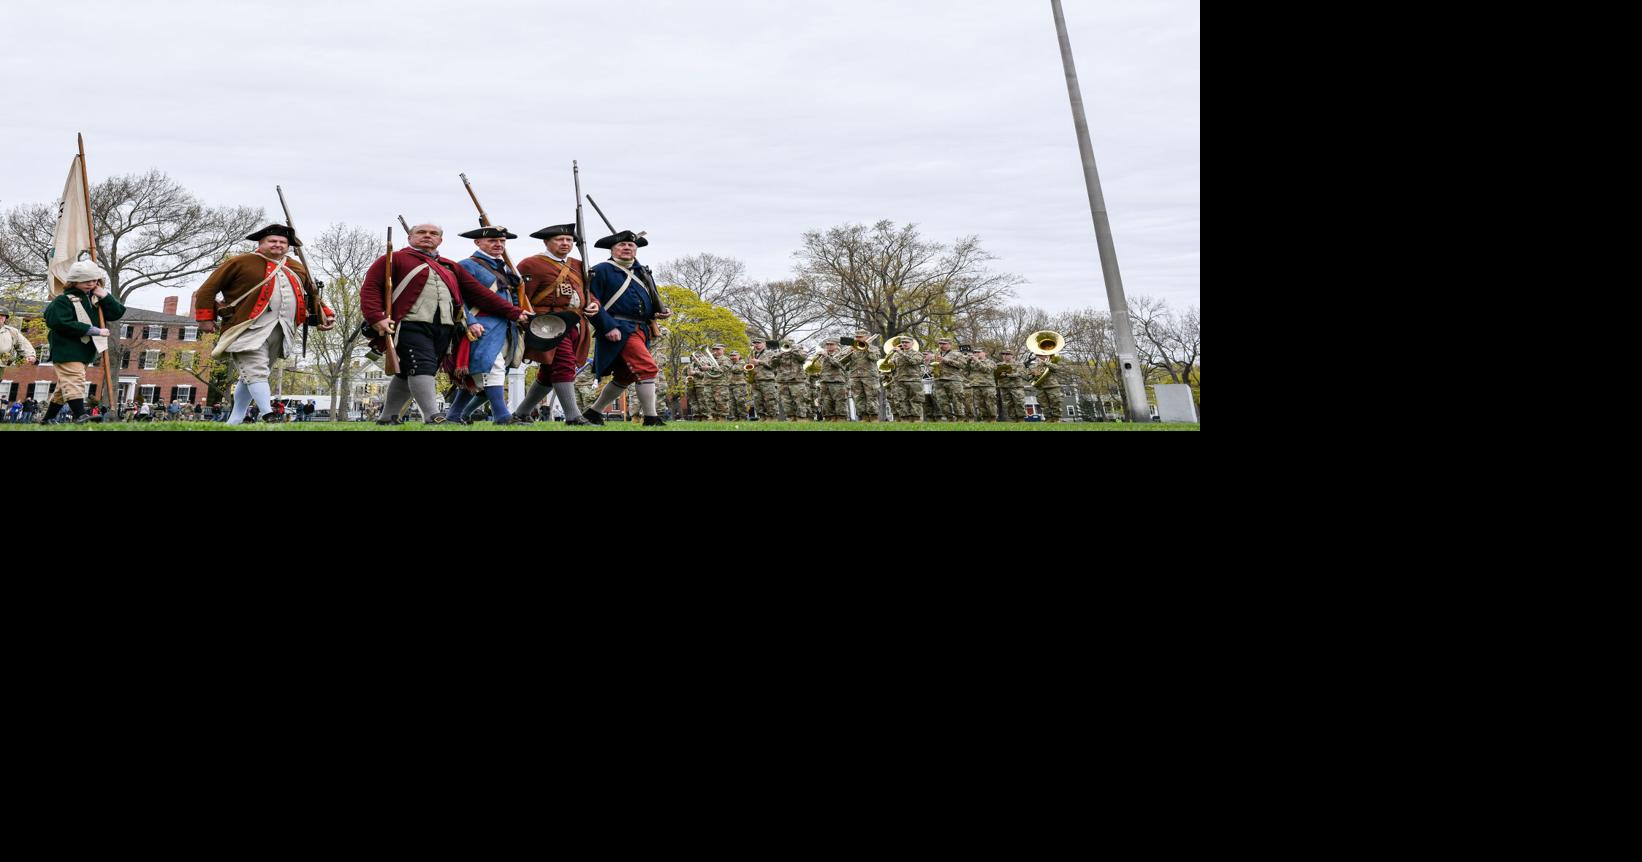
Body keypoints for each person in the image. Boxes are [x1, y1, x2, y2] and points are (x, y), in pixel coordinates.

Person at [360, 223, 529, 425]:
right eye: (421, 233)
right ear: (410, 238)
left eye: (433, 234)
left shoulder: (449, 266)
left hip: (444, 327)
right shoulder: (393, 259)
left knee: (407, 371)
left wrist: (515, 312)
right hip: (409, 323)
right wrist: (376, 317)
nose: (427, 236)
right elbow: (371, 288)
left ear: (440, 240)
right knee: (422, 367)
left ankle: (387, 417)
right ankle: (433, 416)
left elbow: (480, 294)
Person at [194, 224, 336, 427]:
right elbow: (207, 290)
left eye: (282, 242)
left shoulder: (296, 267)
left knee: (251, 376)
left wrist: (326, 315)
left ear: (288, 246)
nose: (278, 244)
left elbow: (312, 296)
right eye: (272, 241)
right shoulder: (239, 262)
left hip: (283, 329)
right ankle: (268, 415)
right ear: (261, 244)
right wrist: (205, 318)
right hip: (246, 327)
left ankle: (234, 420)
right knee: (256, 372)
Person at [580, 230, 672, 427]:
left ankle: (593, 413)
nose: (627, 248)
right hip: (619, 328)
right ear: (612, 249)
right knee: (648, 369)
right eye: (621, 245)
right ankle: (651, 417)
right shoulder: (601, 270)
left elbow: (647, 301)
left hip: (641, 328)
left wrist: (658, 312)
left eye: (631, 245)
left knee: (626, 375)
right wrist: (607, 327)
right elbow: (591, 303)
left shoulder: (642, 272)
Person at [40, 260, 125, 424]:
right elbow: (57, 321)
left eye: (94, 280)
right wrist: (94, 330)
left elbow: (117, 313)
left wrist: (105, 296)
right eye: (87, 281)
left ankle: (47, 419)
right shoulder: (62, 300)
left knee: (63, 387)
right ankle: (81, 415)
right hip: (66, 349)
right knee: (75, 380)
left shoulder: (96, 300)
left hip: (84, 351)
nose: (91, 284)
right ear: (75, 281)